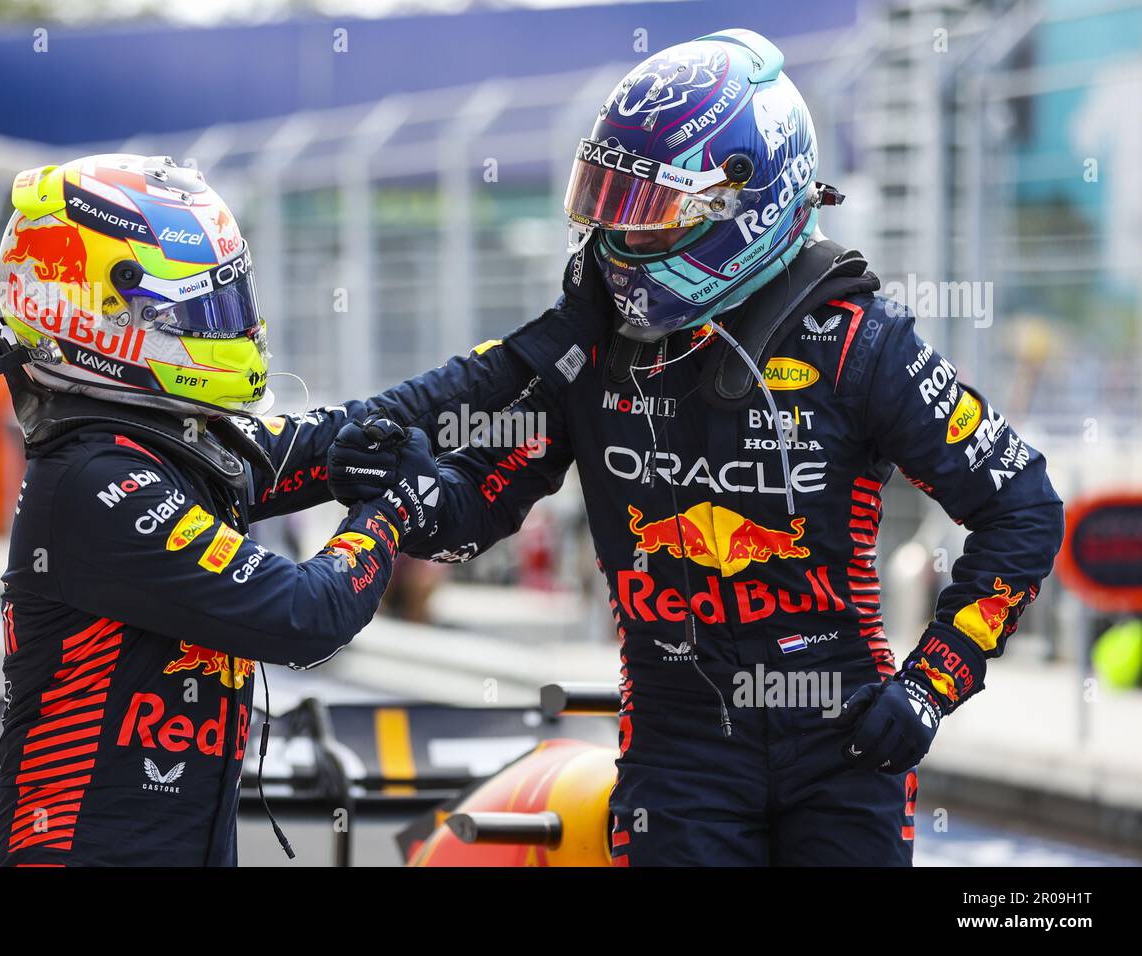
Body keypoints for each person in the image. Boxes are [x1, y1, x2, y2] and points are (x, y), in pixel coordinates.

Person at [328, 29, 1065, 866]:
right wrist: (398, 490)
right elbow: (473, 506)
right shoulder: (590, 346)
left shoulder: (861, 343)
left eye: (646, 218)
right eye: (609, 210)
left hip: (843, 735)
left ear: (746, 203)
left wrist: (933, 685)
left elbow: (1023, 509)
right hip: (678, 742)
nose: (618, 243)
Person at [0, 154, 595, 866]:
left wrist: (546, 349)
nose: (227, 327)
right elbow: (306, 614)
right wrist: (386, 511)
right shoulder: (95, 481)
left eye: (230, 302)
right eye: (200, 309)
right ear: (94, 315)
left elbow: (372, 421)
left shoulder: (175, 443)